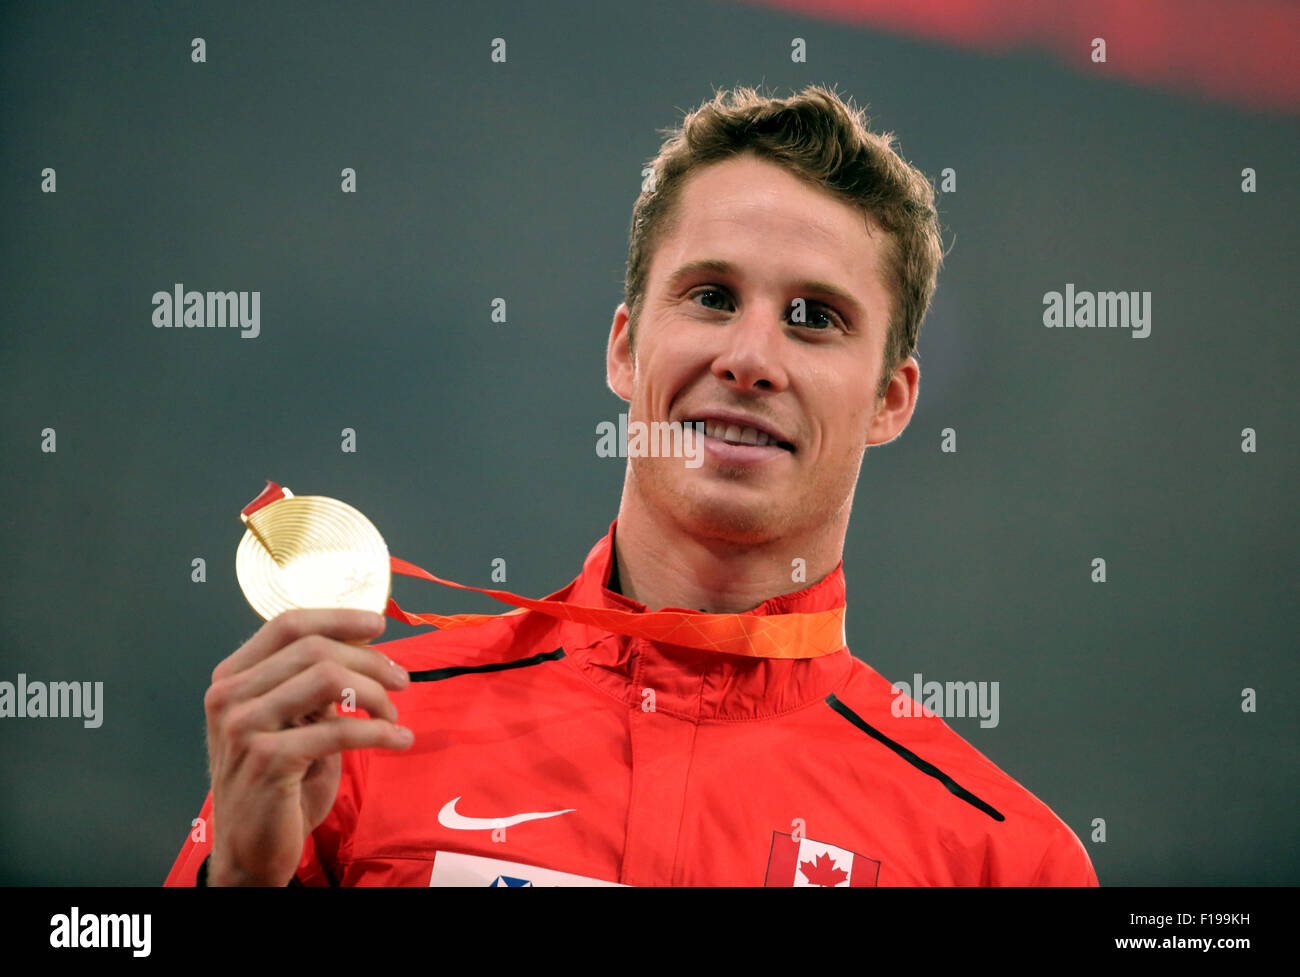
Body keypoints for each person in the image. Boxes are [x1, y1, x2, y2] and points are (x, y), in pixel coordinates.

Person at [166, 84, 1097, 886]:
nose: (750, 357)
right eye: (712, 296)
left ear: (892, 400)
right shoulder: (356, 741)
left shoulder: (999, 858)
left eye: (814, 318)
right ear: (624, 347)